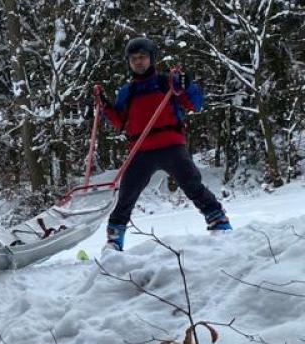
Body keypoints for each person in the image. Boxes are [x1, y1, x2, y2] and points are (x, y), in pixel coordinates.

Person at [97, 36, 231, 251]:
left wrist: (188, 86)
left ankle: (218, 221)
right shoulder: (127, 92)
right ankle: (114, 240)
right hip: (140, 150)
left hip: (171, 145)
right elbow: (119, 123)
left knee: (192, 184)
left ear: (152, 59)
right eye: (133, 59)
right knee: (126, 196)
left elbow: (195, 105)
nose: (138, 62)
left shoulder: (167, 82)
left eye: (142, 57)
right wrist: (105, 107)